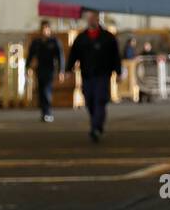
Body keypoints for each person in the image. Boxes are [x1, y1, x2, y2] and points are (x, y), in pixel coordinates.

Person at [66, 10, 122, 142]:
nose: (92, 20)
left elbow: (115, 56)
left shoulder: (108, 37)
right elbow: (74, 54)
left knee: (100, 101)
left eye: (94, 18)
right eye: (90, 18)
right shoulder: (81, 38)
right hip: (87, 75)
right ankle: (96, 123)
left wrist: (118, 72)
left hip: (103, 75)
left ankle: (96, 127)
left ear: (98, 20)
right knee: (90, 101)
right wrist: (68, 69)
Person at [25, 20, 64, 122]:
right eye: (42, 28)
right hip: (39, 70)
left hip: (50, 70)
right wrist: (27, 67)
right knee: (41, 91)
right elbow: (30, 55)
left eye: (46, 28)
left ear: (49, 29)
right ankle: (44, 112)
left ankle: (48, 112)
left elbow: (60, 57)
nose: (44, 31)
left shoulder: (54, 42)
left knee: (47, 90)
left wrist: (61, 71)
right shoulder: (36, 42)